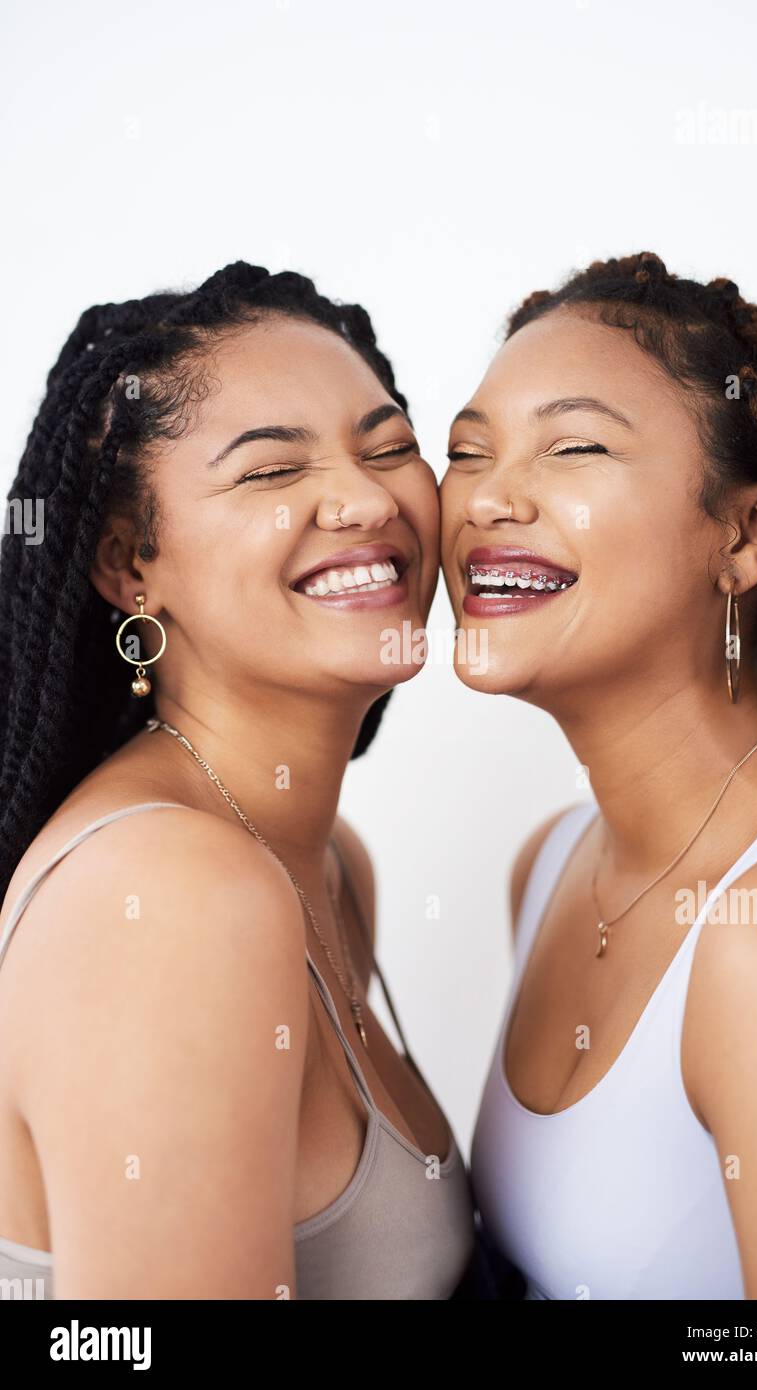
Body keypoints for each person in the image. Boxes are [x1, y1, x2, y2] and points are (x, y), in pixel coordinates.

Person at [0, 261, 476, 1300]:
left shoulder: (328, 867)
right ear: (131, 566)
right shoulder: (170, 898)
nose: (364, 498)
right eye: (270, 472)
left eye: (389, 446)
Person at [439, 251, 757, 1299]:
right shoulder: (548, 867)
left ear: (749, 533)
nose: (489, 495)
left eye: (574, 446)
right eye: (468, 451)